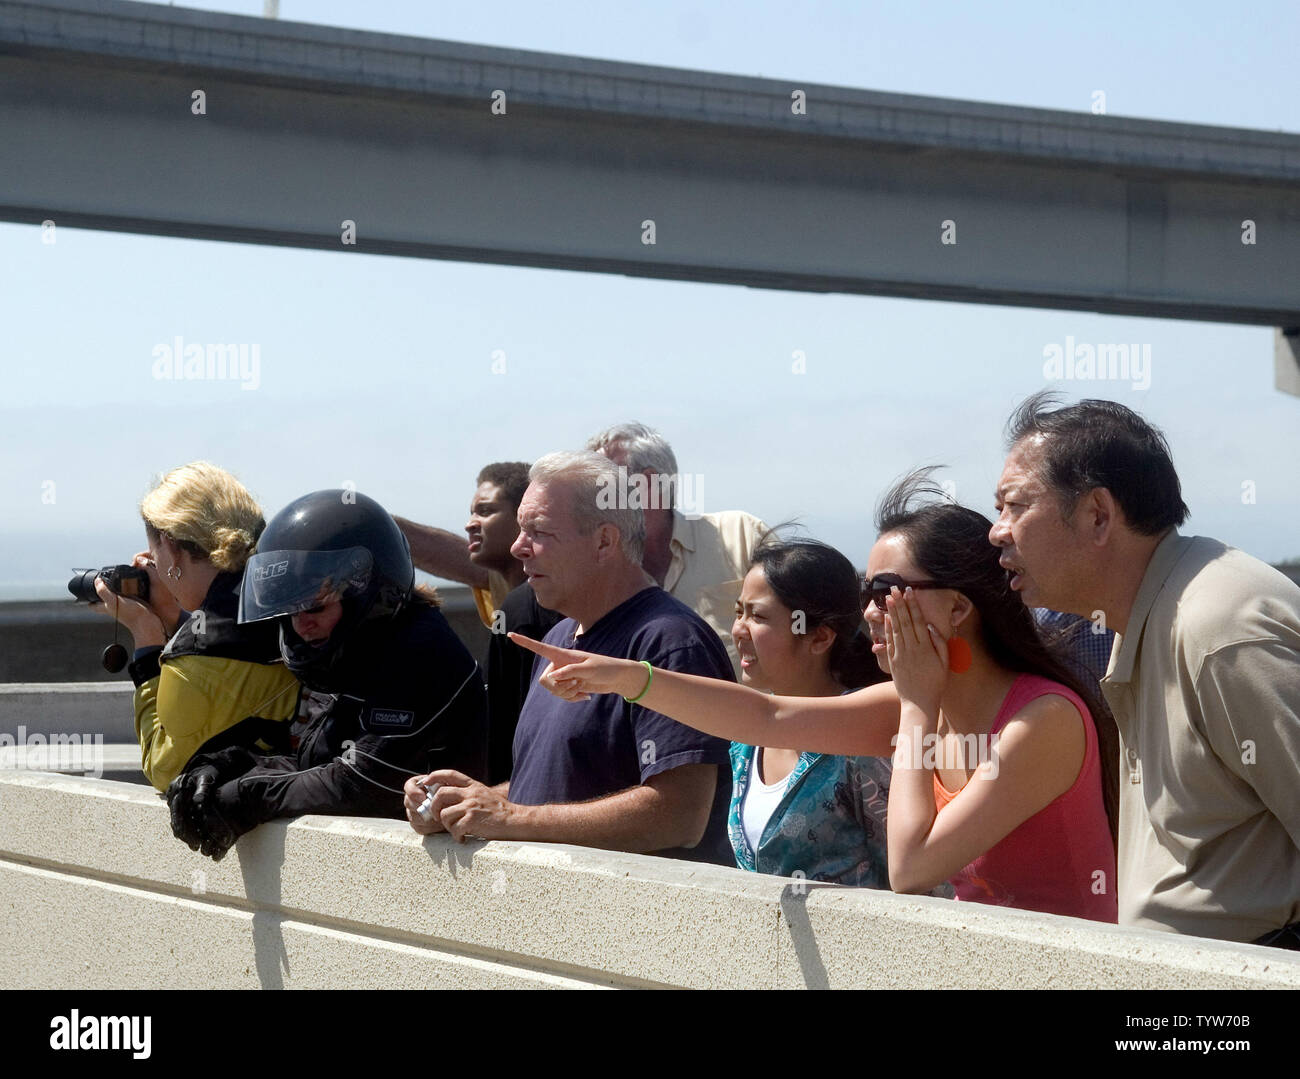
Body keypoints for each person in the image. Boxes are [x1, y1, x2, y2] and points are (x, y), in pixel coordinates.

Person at [513, 471, 1120, 921]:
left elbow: (911, 867)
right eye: (866, 589)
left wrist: (913, 708)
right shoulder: (919, 701)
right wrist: (627, 677)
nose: (868, 611)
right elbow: (767, 715)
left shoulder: (1043, 719)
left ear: (958, 607)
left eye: (886, 590)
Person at [991, 392, 1300, 945]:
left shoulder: (1219, 627)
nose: (997, 531)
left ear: (1097, 515)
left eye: (1014, 506)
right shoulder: (1150, 614)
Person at [403, 450, 735, 863]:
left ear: (604, 542)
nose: (519, 548)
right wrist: (470, 803)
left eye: (538, 531)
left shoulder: (671, 643)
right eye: (521, 530)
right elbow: (555, 791)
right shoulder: (561, 636)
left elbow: (679, 816)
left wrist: (511, 817)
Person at [166, 490, 488, 861]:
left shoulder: (420, 652)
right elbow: (316, 766)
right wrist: (228, 764)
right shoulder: (357, 655)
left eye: (315, 605)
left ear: (364, 593)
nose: (301, 624)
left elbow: (361, 785)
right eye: (287, 609)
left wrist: (245, 795)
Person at [93, 462, 299, 792]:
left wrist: (147, 637)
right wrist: (175, 619)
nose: (155, 563)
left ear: (171, 546)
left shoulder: (194, 660)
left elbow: (164, 768)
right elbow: (230, 638)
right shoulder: (296, 600)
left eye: (156, 551)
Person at [727, 535, 894, 887]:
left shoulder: (861, 742)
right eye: (738, 611)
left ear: (819, 638)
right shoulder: (743, 742)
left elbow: (909, 881)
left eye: (757, 615)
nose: (739, 629)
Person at [394, 462, 562, 783]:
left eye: (485, 511)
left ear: (525, 517)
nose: (471, 524)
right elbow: (446, 553)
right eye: (472, 512)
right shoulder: (503, 587)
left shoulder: (556, 607)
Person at [585, 422, 769, 673]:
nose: (590, 499)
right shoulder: (595, 568)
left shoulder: (741, 535)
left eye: (601, 484)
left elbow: (802, 637)